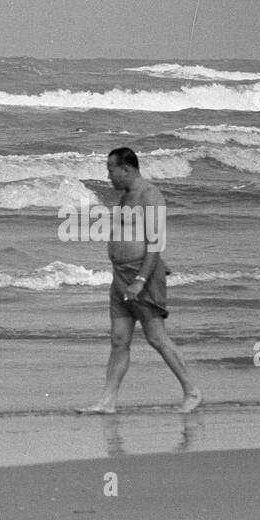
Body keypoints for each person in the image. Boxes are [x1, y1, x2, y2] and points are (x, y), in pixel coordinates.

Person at [79, 147, 203, 415]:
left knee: (156, 338)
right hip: (121, 276)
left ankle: (192, 391)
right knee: (118, 339)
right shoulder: (125, 196)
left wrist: (141, 279)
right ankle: (107, 402)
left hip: (140, 276)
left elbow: (155, 243)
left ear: (126, 169)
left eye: (111, 170)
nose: (108, 176)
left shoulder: (150, 195)